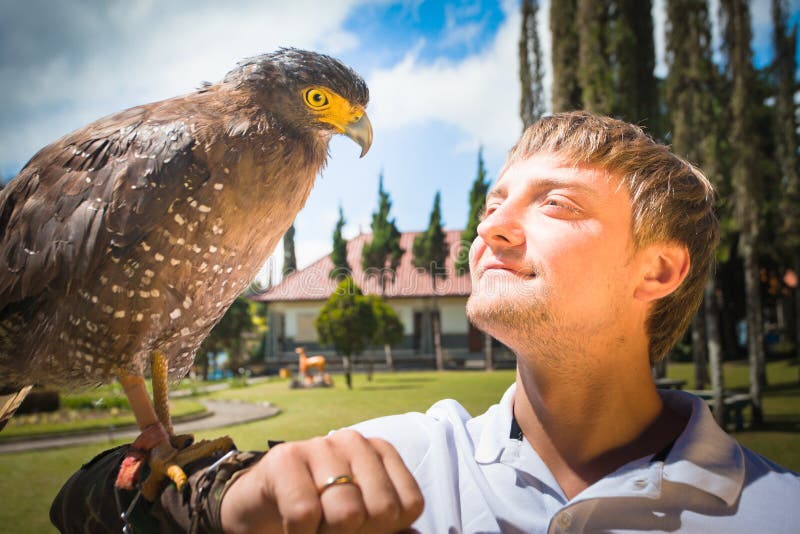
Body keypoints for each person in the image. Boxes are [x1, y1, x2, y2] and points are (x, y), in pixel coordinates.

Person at [52, 112, 800, 533]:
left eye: (556, 204)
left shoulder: (776, 515)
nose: (492, 231)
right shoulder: (389, 460)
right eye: (492, 204)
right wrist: (233, 500)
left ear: (658, 271)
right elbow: (80, 501)